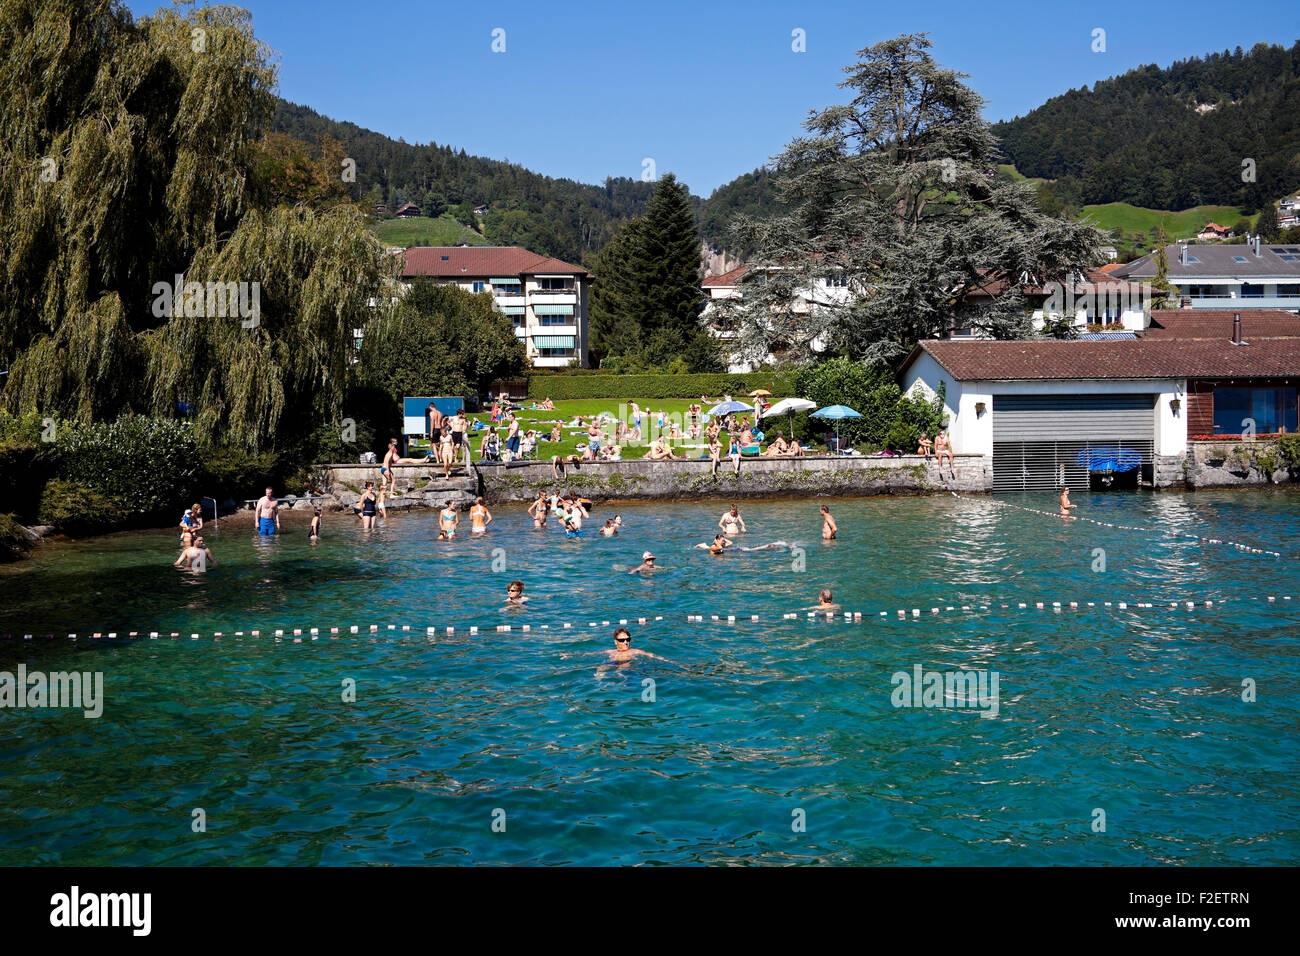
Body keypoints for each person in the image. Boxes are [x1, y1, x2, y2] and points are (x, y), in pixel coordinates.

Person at [597, 627, 673, 672]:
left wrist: (670, 662)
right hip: (614, 666)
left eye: (628, 639)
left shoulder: (635, 651)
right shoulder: (610, 652)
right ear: (615, 642)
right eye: (622, 640)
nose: (625, 642)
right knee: (600, 669)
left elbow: (653, 656)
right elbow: (590, 654)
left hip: (630, 670)